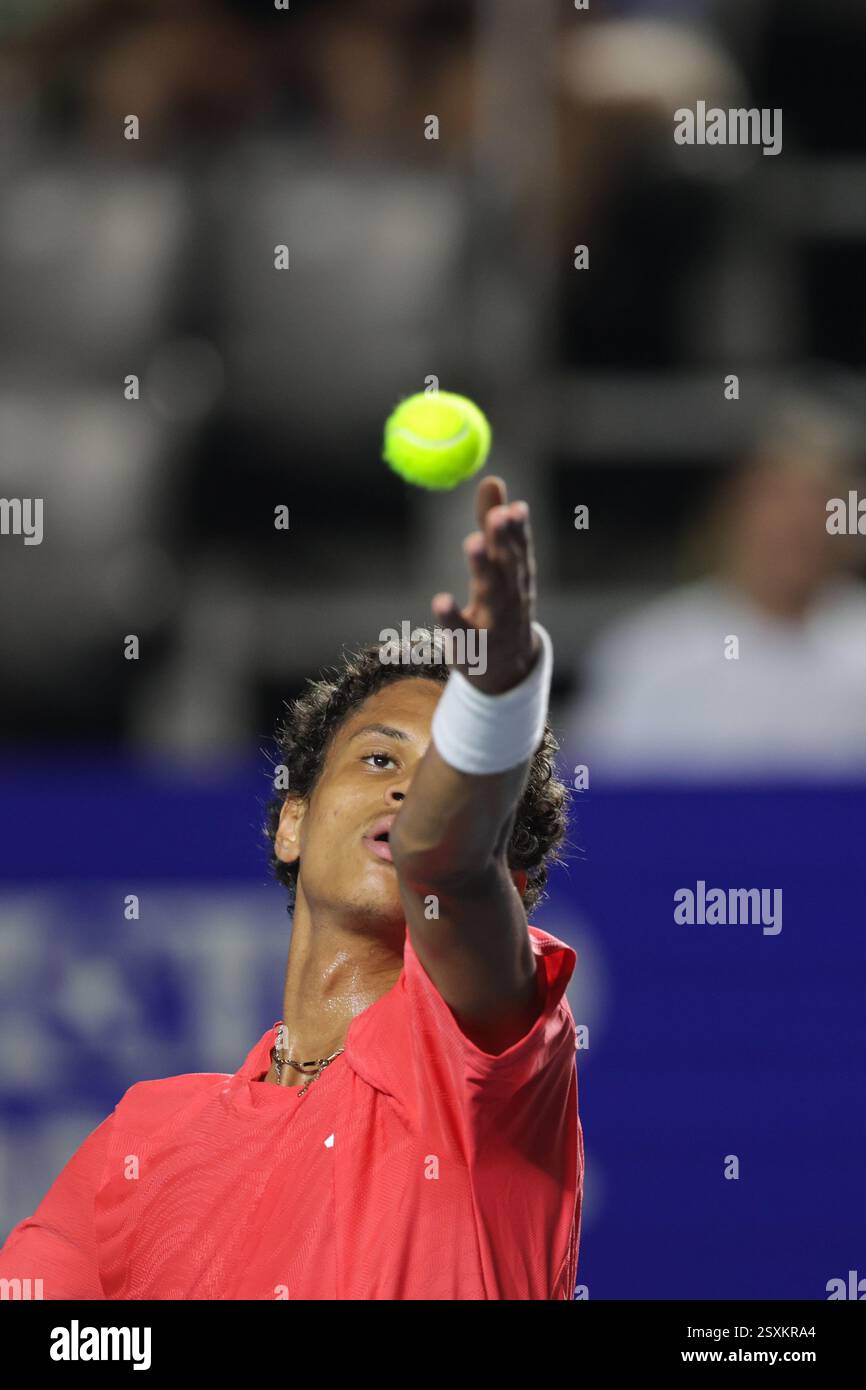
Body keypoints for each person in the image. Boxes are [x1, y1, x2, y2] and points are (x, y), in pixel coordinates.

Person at [0, 477, 583, 1301]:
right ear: (292, 823)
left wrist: (500, 706)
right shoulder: (143, 1138)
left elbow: (443, 859)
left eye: (443, 775)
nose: (408, 793)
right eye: (380, 759)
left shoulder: (491, 1070)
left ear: (510, 891)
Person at [567, 439, 866, 777]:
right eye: (775, 505)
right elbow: (603, 792)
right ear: (731, 519)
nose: (794, 527)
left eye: (816, 506)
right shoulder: (651, 652)